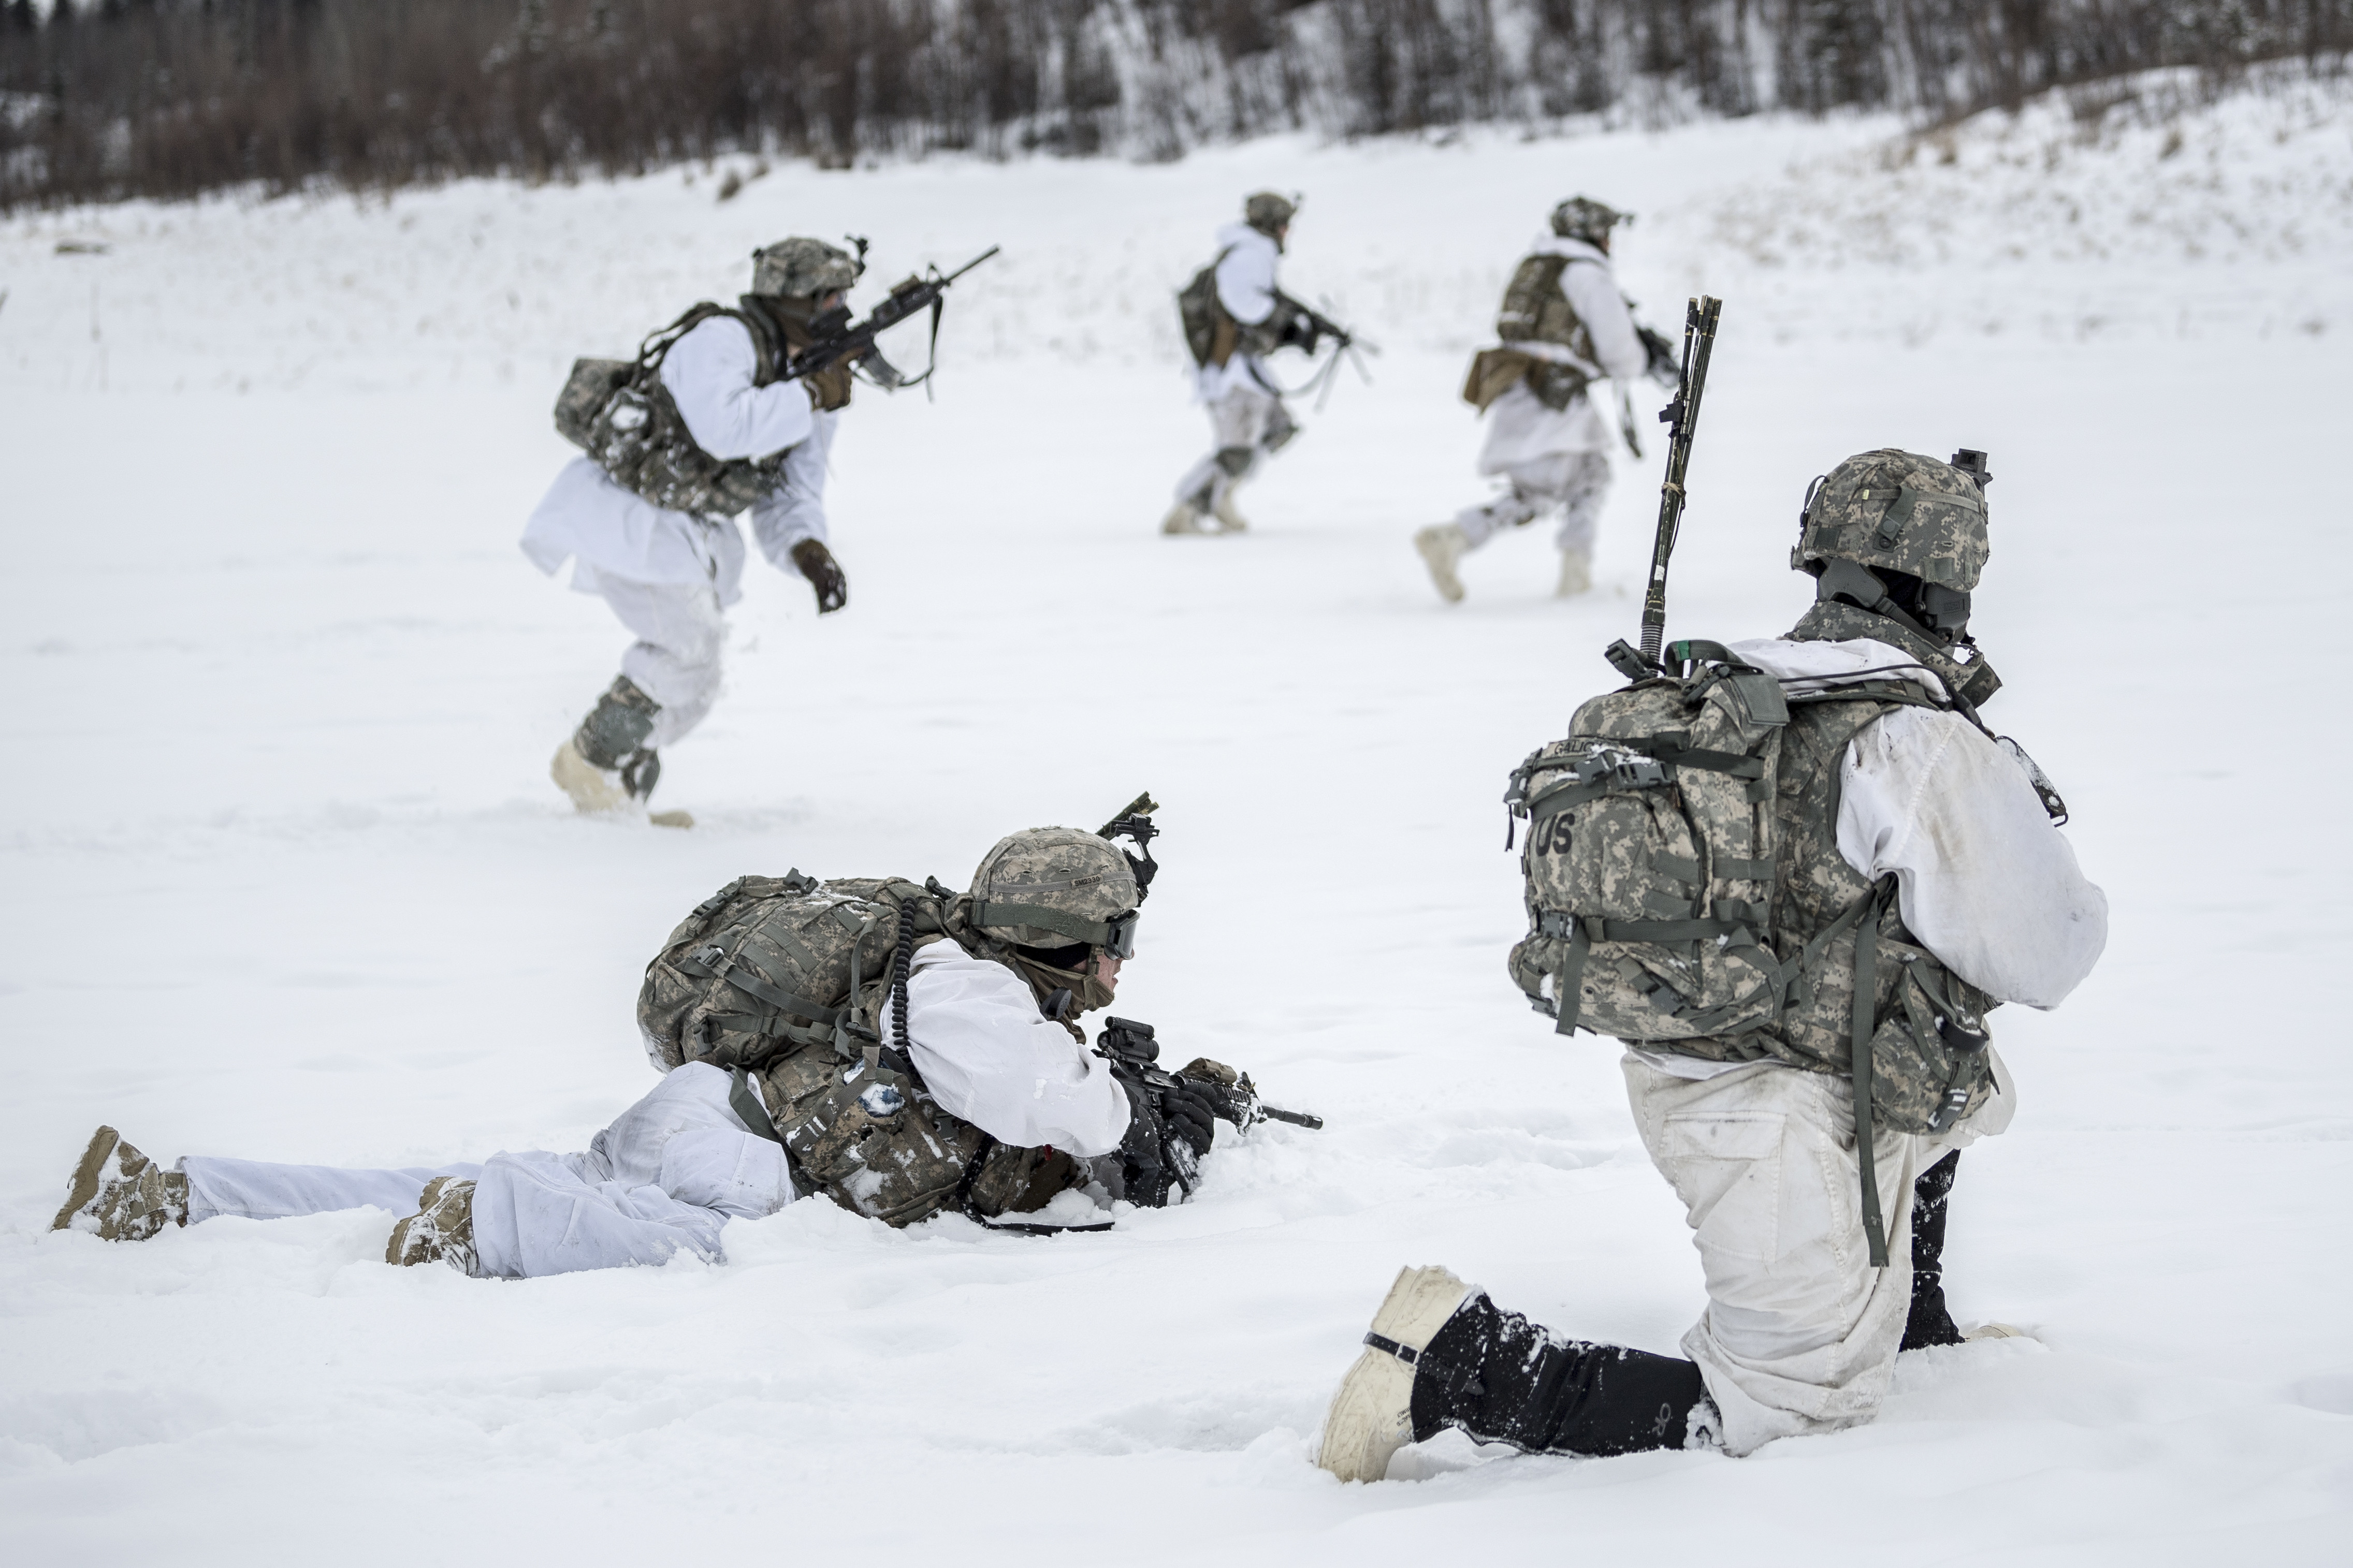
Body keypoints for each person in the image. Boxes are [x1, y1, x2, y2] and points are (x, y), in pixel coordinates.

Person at [1318, 447, 2108, 1479]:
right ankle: (1456, 1361)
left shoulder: (1742, 687)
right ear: (1952, 577)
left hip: (1691, 1057)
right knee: (1790, 1409)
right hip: (1782, 1111)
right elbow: (2049, 950)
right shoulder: (1912, 737)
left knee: (1960, 1074)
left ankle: (1908, 1318)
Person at [49, 827, 1246, 1277]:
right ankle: (482, 1220)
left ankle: (170, 1189)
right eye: (1111, 941)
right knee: (666, 1239)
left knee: (542, 1171)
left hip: (709, 1108)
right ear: (1058, 939)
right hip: (751, 1168)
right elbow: (1070, 1110)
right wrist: (1168, 1110)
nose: (1120, 966)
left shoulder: (942, 952)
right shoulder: (972, 999)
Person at [521, 237, 864, 827]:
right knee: (686, 648)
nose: (839, 307)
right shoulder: (723, 339)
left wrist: (808, 550)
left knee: (698, 678)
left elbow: (789, 488)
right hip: (628, 517)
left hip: (685, 530)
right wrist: (810, 392)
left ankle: (619, 794)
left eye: (843, 295)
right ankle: (588, 765)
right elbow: (723, 431)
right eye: (827, 295)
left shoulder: (807, 376)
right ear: (791, 299)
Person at [1414, 197, 1664, 603]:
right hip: (1558, 400)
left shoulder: (1536, 267)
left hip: (1516, 389)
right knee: (1592, 478)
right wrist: (1644, 359)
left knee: (1534, 493)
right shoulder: (1587, 274)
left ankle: (1454, 538)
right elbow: (1622, 355)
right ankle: (1576, 573)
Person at [1163, 192, 1322, 537]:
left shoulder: (1251, 253)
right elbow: (1245, 306)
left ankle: (1223, 497)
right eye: (1284, 225)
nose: (1287, 233)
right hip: (1233, 372)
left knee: (1277, 429)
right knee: (1237, 447)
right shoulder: (1249, 254)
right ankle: (1188, 509)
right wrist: (1290, 328)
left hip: (1245, 368)